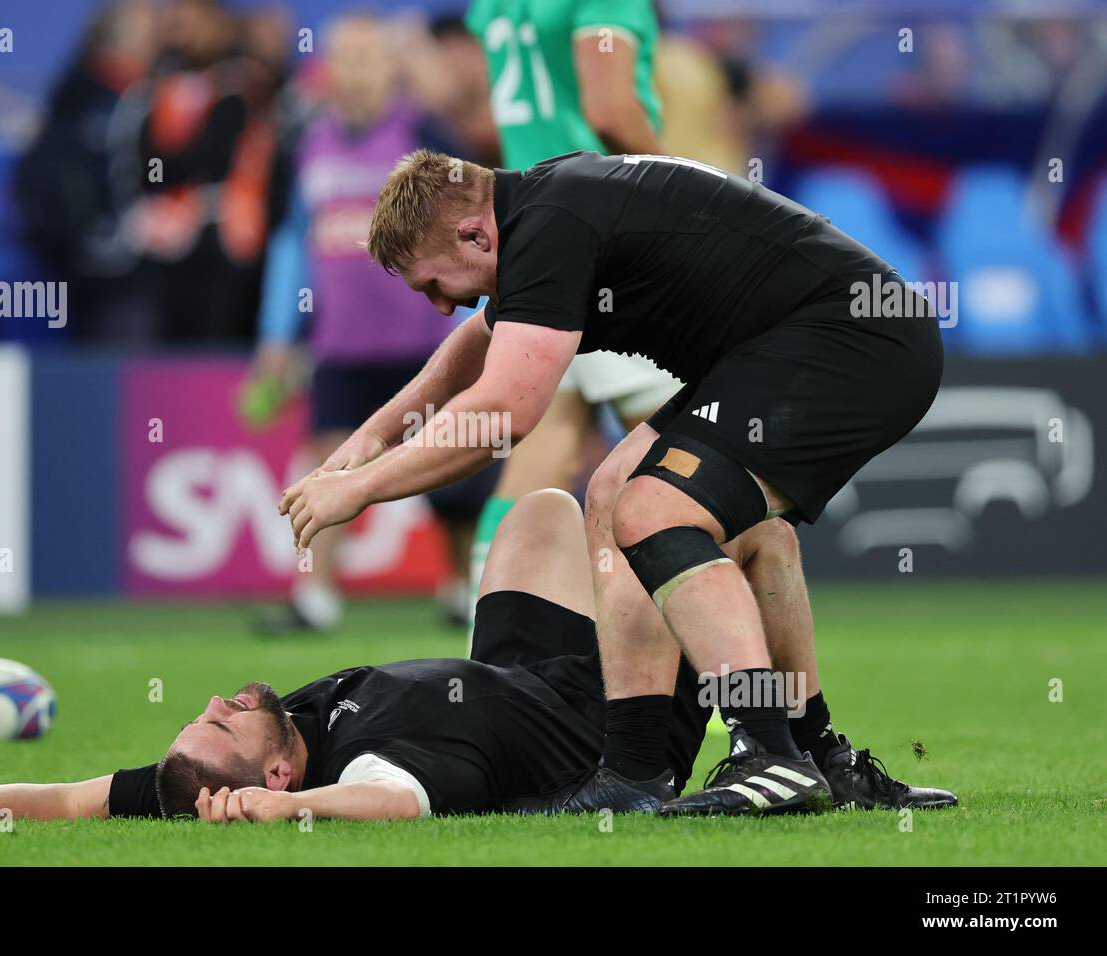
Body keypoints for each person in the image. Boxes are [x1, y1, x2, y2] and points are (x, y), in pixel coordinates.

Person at [278, 148, 955, 816]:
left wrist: (361, 487)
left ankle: (769, 751)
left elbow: (503, 417)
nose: (435, 306)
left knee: (655, 511)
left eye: (432, 284)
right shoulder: (539, 211)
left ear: (473, 234)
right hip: (803, 341)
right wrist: (375, 433)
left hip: (853, 340)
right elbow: (480, 340)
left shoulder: (547, 225)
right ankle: (644, 770)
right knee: (615, 491)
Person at [0, 491, 951, 825]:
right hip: (612, 718)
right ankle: (794, 746)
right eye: (221, 723)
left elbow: (73, 793)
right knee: (721, 541)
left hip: (527, 666)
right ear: (279, 774)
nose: (219, 700)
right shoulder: (367, 769)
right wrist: (291, 819)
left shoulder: (271, 725)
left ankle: (797, 745)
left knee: (538, 510)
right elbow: (395, 810)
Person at [246, 12, 498, 632]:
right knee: (329, 458)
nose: (356, 71)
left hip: (428, 337)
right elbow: (288, 243)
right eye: (345, 58)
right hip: (341, 340)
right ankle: (315, 595)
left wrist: (468, 324)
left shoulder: (425, 133)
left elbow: (473, 228)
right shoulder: (305, 142)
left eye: (368, 58)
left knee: (452, 462)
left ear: (392, 67)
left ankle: (458, 589)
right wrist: (277, 336)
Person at [460, 0, 685, 625]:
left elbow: (492, 112)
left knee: (538, 459)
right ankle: (720, 680)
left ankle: (493, 654)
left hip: (528, 244)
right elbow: (609, 110)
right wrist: (684, 186)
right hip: (607, 236)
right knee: (687, 460)